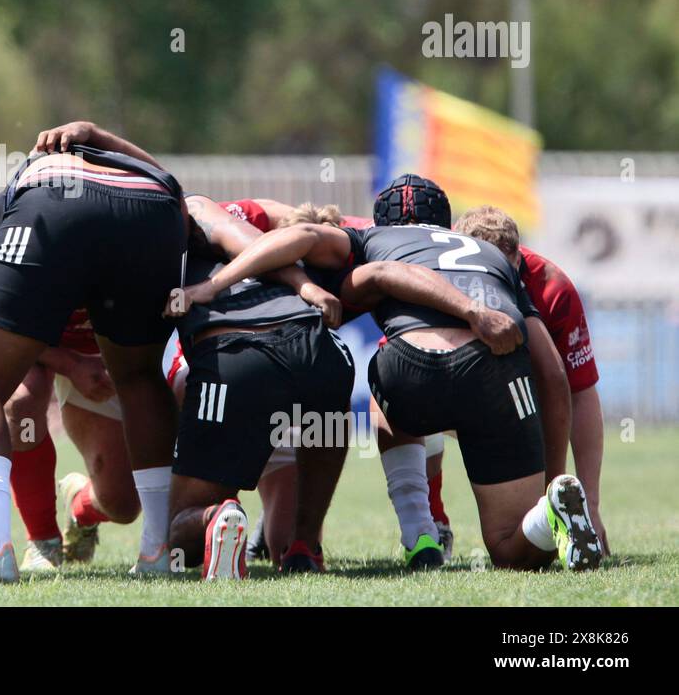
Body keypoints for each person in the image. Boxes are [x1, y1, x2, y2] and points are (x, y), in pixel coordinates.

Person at [178, 174, 603, 571]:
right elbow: (554, 377)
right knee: (511, 548)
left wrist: (217, 286)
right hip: (497, 376)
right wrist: (551, 477)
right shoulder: (499, 257)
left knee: (385, 395)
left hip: (410, 371)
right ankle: (548, 511)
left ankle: (419, 531)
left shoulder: (370, 237)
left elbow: (308, 238)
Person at [0, 123, 188, 582]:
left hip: (99, 353)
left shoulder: (37, 198)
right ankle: (50, 542)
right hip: (68, 334)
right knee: (29, 400)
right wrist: (55, 353)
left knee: (120, 503)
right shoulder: (151, 197)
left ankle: (3, 547)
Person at [450, 204, 610, 553]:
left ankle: (557, 510)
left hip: (528, 403)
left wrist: (592, 506)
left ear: (518, 260)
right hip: (454, 394)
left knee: (508, 540)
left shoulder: (553, 289)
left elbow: (580, 390)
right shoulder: (440, 274)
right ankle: (428, 526)